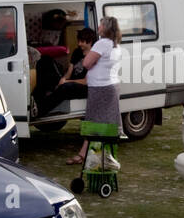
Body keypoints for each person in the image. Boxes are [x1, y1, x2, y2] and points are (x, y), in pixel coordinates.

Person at [67, 17, 122, 168]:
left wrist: (92, 62)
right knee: (105, 122)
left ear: (106, 28)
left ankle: (98, 157)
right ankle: (91, 155)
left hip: (100, 88)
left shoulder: (102, 43)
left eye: (101, 24)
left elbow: (86, 63)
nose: (98, 26)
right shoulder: (115, 45)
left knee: (94, 123)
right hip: (110, 86)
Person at [37, 27, 94, 117]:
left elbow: (86, 81)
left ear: (90, 41)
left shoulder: (94, 56)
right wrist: (62, 79)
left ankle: (40, 110)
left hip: (84, 87)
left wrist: (66, 82)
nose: (79, 44)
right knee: (45, 60)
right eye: (78, 41)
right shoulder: (77, 52)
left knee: (65, 87)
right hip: (70, 82)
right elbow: (69, 73)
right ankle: (37, 99)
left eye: (82, 41)